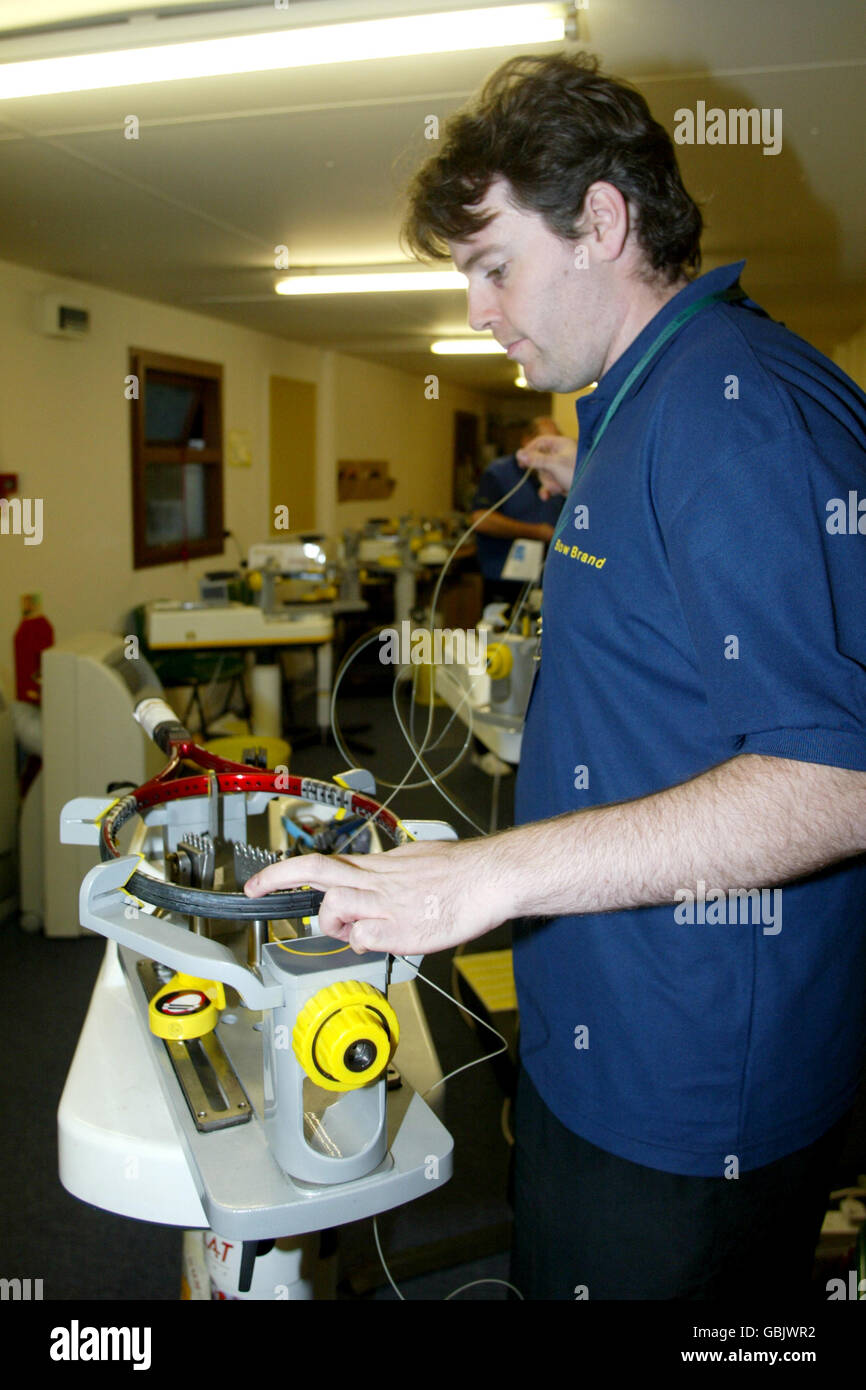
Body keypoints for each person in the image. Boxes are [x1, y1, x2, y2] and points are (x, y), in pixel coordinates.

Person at [246, 52, 866, 1300]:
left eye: (492, 265)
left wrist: (479, 876)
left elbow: (836, 777)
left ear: (600, 221)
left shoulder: (721, 413)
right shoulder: (652, 402)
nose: (475, 308)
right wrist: (596, 496)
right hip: (619, 1013)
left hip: (686, 1077)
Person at [470, 416, 566, 608]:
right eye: (544, 444)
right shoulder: (499, 473)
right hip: (504, 578)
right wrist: (537, 532)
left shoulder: (556, 474)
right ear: (526, 441)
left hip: (548, 579)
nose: (548, 453)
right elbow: (481, 520)